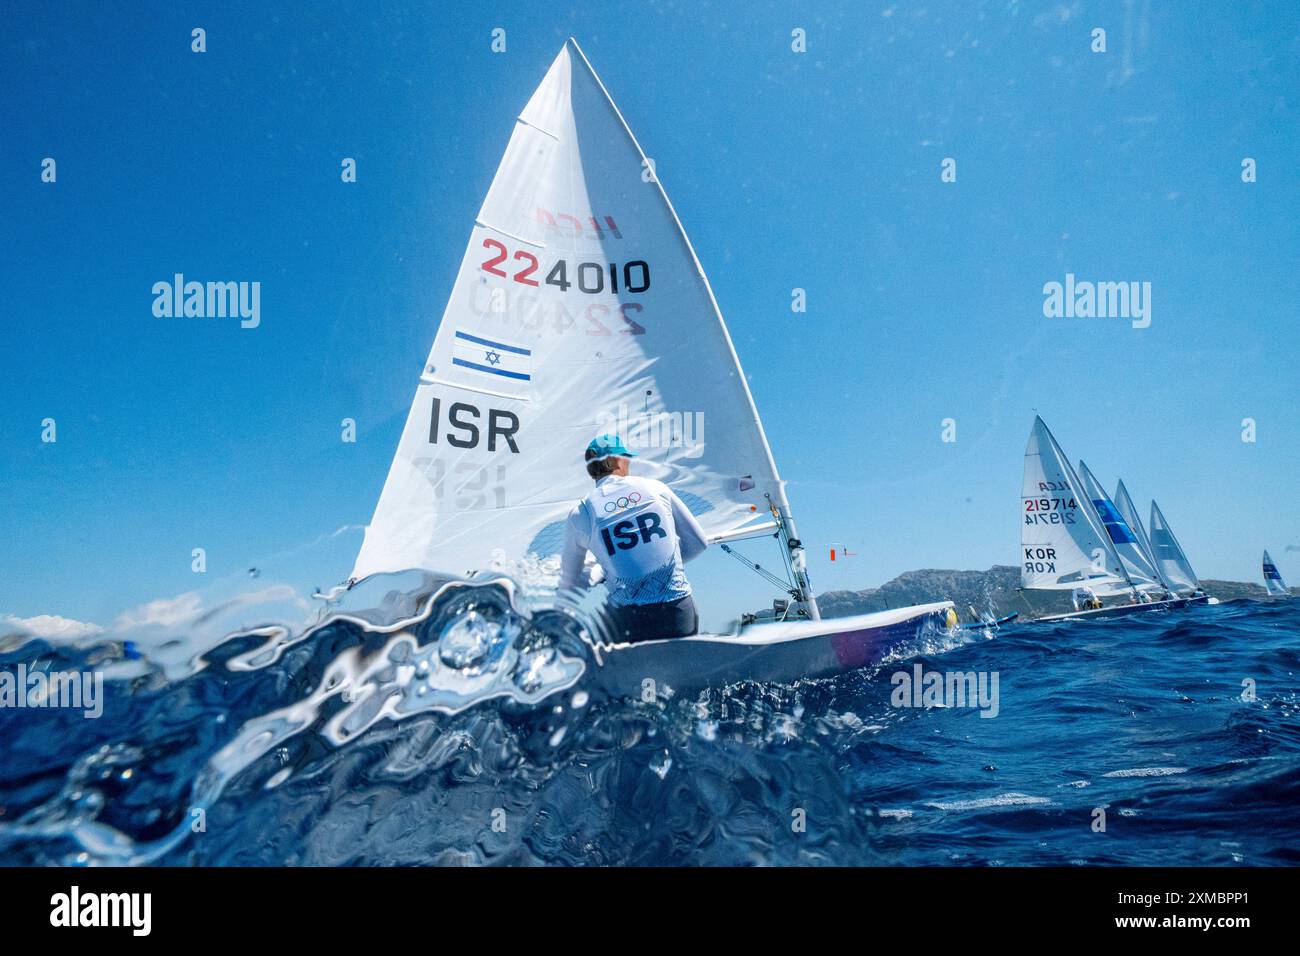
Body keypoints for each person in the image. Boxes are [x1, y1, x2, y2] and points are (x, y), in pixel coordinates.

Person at [559, 434, 708, 643]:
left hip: (626, 619)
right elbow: (698, 543)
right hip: (677, 610)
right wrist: (656, 569)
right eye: (626, 457)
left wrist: (605, 571)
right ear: (617, 460)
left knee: (639, 675)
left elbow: (569, 582)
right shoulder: (655, 488)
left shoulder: (580, 513)